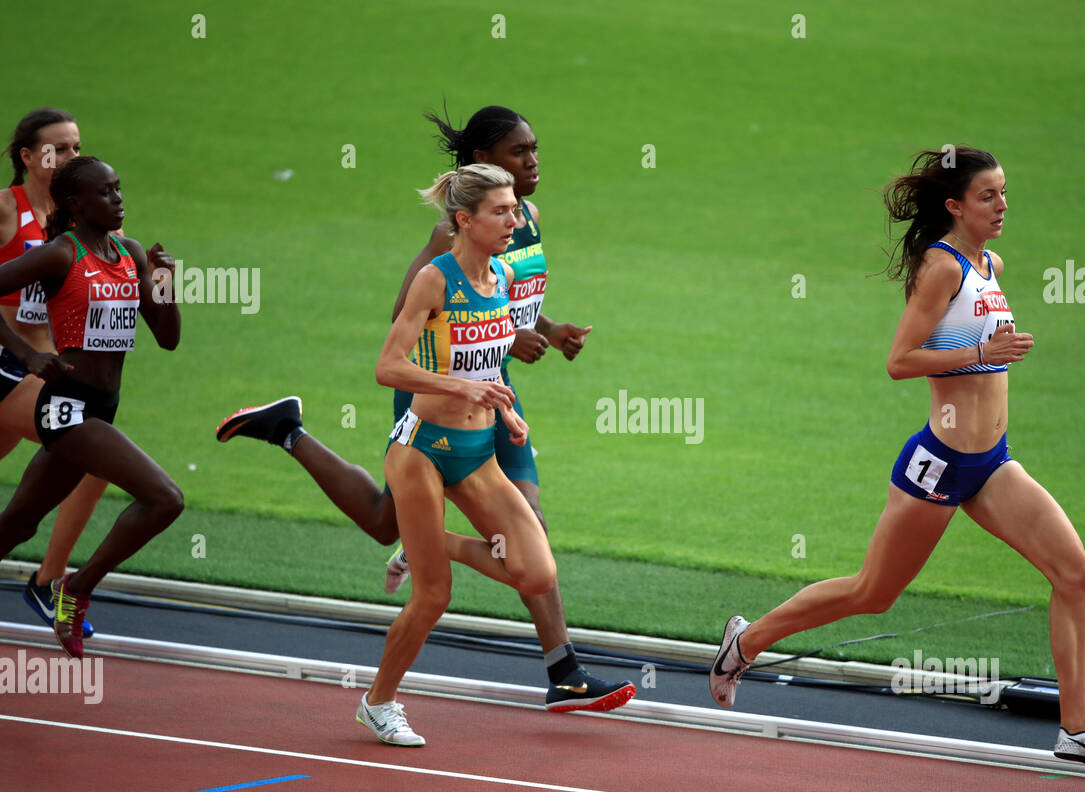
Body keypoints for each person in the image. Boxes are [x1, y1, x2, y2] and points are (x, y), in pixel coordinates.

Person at [709, 146, 1085, 774]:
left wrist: (990, 350)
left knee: (1075, 574)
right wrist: (979, 352)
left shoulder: (990, 262)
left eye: (1004, 193)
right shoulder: (940, 269)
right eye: (987, 195)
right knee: (873, 593)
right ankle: (744, 644)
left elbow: (984, 349)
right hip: (939, 463)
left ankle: (1076, 731)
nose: (1001, 206)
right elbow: (900, 361)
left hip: (992, 462)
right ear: (954, 206)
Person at [216, 105, 632, 713]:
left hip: (494, 390)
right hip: (437, 391)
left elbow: (505, 296)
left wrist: (546, 326)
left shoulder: (527, 219)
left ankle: (562, 670)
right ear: (482, 165)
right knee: (399, 525)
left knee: (524, 541)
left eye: (536, 148)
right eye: (520, 152)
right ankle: (290, 433)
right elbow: (407, 322)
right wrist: (492, 345)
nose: (534, 161)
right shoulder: (448, 237)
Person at [357, 163, 559, 744]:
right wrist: (460, 388)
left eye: (515, 209)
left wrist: (506, 409)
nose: (515, 220)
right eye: (502, 211)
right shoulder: (435, 279)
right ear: (465, 221)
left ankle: (424, 546)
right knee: (434, 595)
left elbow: (488, 362)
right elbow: (387, 367)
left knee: (537, 572)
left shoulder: (498, 276)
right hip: (421, 449)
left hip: (477, 451)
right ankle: (379, 702)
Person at [0, 156, 183, 657]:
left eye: (119, 188)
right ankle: (75, 590)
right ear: (75, 204)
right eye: (105, 192)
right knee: (165, 498)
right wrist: (28, 354)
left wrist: (165, 287)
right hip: (66, 409)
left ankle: (70, 588)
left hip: (103, 407)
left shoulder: (129, 254)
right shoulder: (61, 254)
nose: (118, 198)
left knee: (17, 525)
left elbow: (167, 339)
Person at [0, 108, 110, 635]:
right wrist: (22, 352)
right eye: (60, 149)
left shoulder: (85, 219)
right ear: (28, 156)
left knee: (95, 455)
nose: (72, 157)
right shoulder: (6, 211)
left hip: (48, 375)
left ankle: (49, 581)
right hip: (8, 368)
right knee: (93, 454)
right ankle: (48, 583)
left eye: (77, 147)